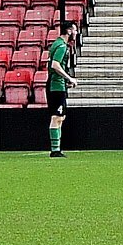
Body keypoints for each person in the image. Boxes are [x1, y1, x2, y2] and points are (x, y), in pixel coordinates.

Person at [46, 19, 78, 158]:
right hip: (56, 86)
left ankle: (57, 149)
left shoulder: (58, 44)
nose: (76, 33)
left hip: (57, 84)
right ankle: (55, 150)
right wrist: (69, 78)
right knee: (57, 117)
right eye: (75, 30)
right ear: (69, 31)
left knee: (60, 116)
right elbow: (55, 65)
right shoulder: (61, 46)